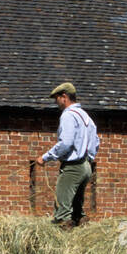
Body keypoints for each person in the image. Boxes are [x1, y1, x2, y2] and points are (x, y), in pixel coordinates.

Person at [37, 81, 99, 226]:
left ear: (64, 97)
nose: (56, 102)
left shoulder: (68, 115)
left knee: (63, 210)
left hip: (73, 167)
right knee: (77, 210)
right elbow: (95, 142)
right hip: (86, 166)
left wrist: (45, 157)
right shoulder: (86, 117)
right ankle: (82, 230)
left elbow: (66, 143)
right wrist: (88, 159)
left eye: (56, 98)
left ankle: (63, 238)